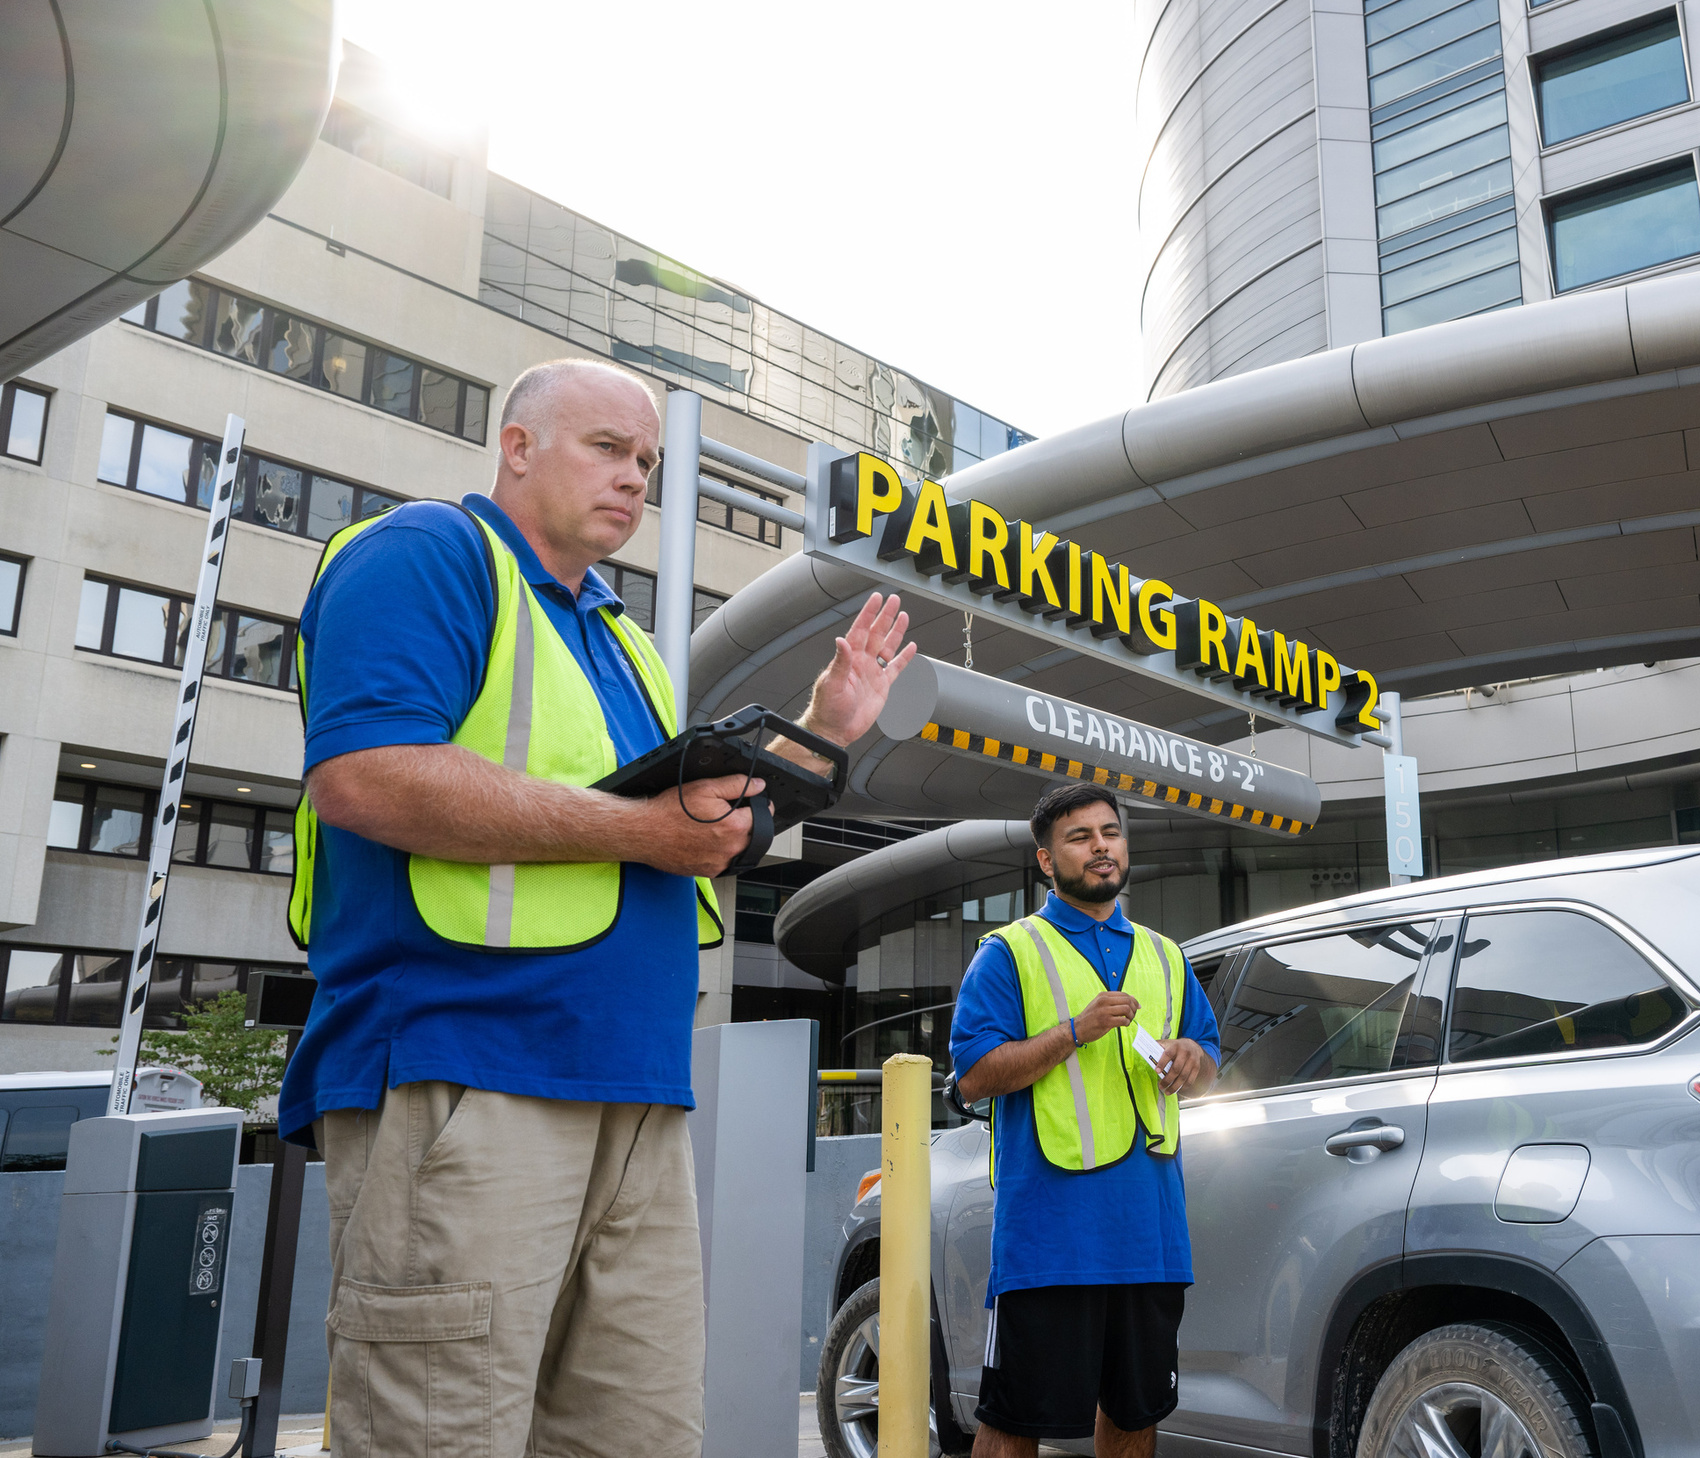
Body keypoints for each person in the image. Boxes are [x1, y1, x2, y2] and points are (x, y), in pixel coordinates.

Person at [278, 358, 918, 1458]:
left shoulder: (622, 636)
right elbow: (367, 773)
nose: (635, 481)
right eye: (607, 449)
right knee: (439, 1436)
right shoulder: (427, 552)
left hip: (634, 1092)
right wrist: (645, 831)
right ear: (517, 447)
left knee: (635, 1438)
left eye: (650, 464)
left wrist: (820, 729)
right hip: (466, 1072)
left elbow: (675, 830)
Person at [949, 783, 1222, 1458]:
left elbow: (1210, 1064)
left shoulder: (1167, 955)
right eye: (1080, 837)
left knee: (1136, 1416)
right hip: (1049, 1244)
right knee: (1014, 1420)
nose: (1101, 847)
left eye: (1110, 832)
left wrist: (1193, 1061)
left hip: (1152, 1236)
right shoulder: (1009, 952)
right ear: (1046, 862)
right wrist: (1074, 1030)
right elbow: (975, 1075)